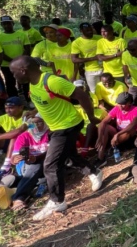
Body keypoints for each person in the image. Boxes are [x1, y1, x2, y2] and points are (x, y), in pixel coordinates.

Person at [10, 56, 103, 220]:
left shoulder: (52, 81)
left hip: (68, 125)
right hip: (55, 127)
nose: (13, 76)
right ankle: (94, 172)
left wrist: (92, 118)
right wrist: (33, 113)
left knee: (51, 165)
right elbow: (46, 103)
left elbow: (82, 96)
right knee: (69, 156)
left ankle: (57, 201)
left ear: (23, 70)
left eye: (13, 72)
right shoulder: (32, 83)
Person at [9, 114, 50, 210]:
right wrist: (15, 159)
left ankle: (19, 195)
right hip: (28, 167)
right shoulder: (24, 137)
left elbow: (51, 152)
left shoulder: (50, 134)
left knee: (38, 164)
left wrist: (36, 158)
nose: (36, 126)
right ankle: (19, 196)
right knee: (34, 167)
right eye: (33, 123)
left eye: (39, 122)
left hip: (47, 163)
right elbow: (15, 154)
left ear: (45, 122)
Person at [95, 91, 137, 166]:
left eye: (123, 104)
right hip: (118, 135)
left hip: (130, 136)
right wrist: (100, 137)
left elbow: (133, 124)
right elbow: (103, 122)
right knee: (105, 127)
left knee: (130, 129)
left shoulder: (136, 109)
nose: (120, 106)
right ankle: (101, 158)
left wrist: (117, 134)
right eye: (118, 103)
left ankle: (113, 147)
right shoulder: (117, 108)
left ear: (129, 102)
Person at [0, 16, 30, 97]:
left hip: (22, 64)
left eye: (8, 23)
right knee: (10, 83)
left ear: (12, 23)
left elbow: (27, 49)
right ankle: (14, 101)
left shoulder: (22, 35)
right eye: (4, 24)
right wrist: (13, 61)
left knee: (25, 82)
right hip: (6, 65)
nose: (6, 26)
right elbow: (0, 53)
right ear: (2, 25)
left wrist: (20, 61)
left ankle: (28, 99)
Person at [71, 22, 103, 93]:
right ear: (81, 31)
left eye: (91, 30)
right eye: (87, 31)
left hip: (105, 68)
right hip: (90, 71)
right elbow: (74, 59)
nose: (90, 32)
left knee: (106, 89)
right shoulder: (76, 43)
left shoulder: (100, 38)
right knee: (94, 92)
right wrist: (93, 58)